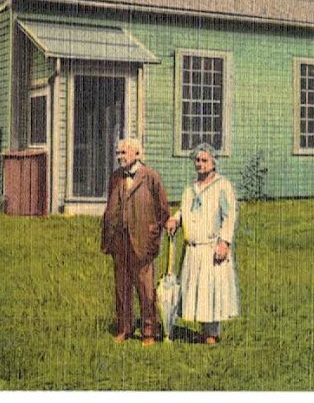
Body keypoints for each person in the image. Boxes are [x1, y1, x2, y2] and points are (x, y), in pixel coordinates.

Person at [165, 144, 239, 344]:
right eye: (197, 160)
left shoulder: (223, 186)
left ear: (213, 163)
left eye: (204, 160)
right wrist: (175, 220)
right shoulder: (190, 189)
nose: (200, 164)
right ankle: (201, 331)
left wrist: (224, 242)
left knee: (212, 289)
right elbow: (183, 211)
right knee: (197, 288)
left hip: (211, 246)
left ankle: (211, 333)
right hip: (193, 248)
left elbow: (229, 216)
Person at [100, 138, 170, 346]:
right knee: (122, 288)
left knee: (146, 289)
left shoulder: (151, 177)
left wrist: (153, 234)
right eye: (118, 153)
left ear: (137, 154)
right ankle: (125, 328)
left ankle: (149, 331)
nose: (120, 157)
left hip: (142, 241)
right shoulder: (115, 177)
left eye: (124, 153)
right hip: (119, 241)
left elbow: (163, 210)